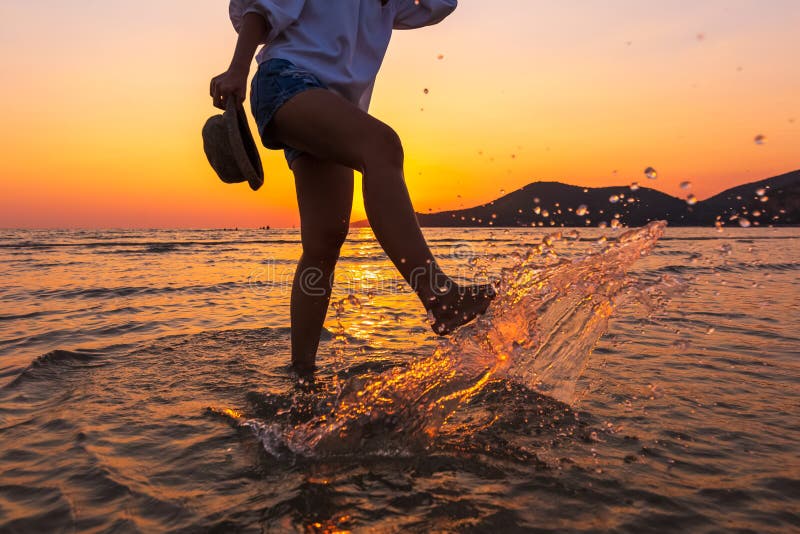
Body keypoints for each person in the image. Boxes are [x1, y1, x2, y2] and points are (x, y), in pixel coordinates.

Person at [211, 0, 495, 374]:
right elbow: (261, 11)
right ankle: (439, 295)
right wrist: (236, 69)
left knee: (324, 242)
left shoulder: (389, 4)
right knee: (381, 145)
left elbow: (441, 5)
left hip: (333, 107)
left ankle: (301, 374)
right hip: (286, 82)